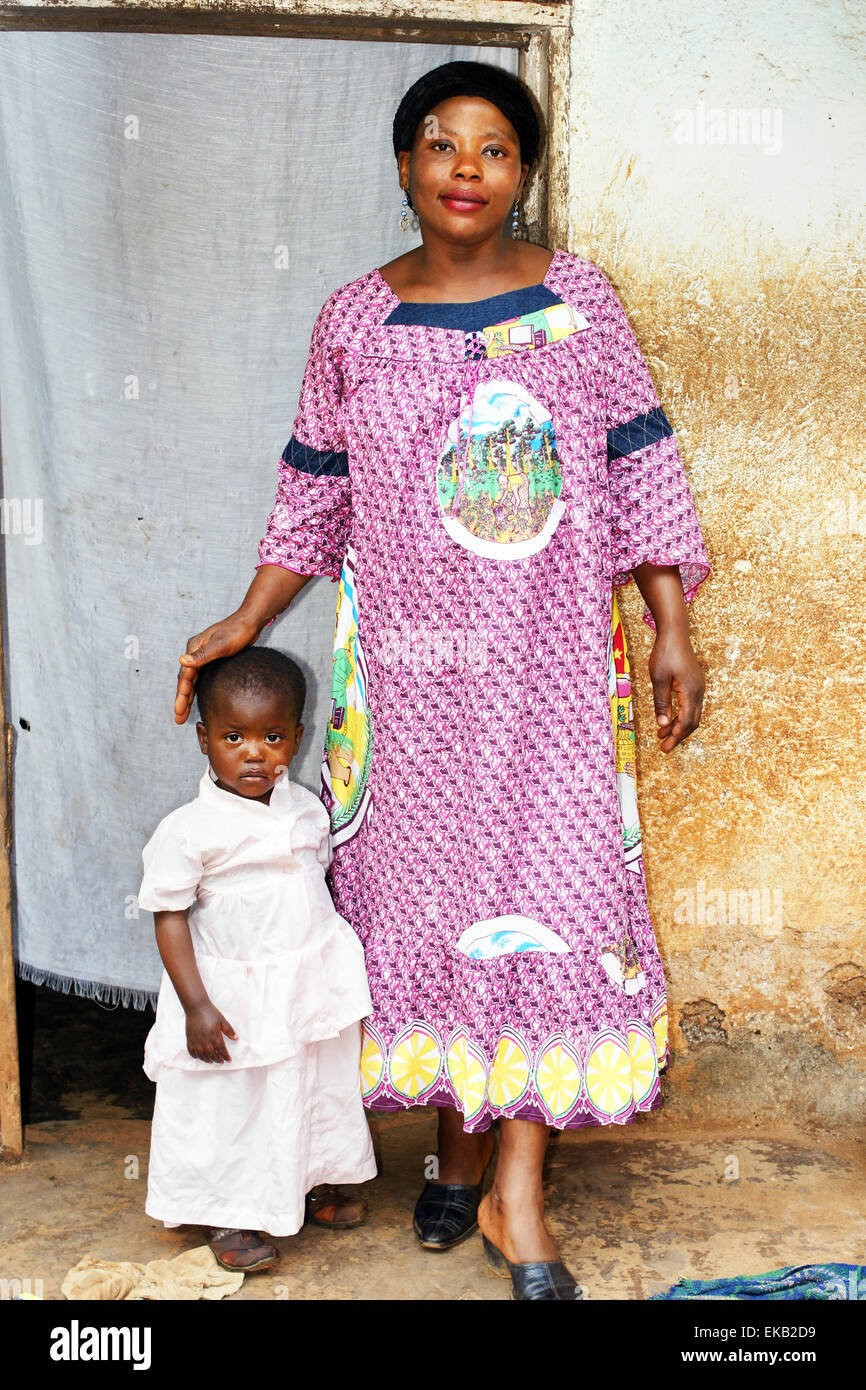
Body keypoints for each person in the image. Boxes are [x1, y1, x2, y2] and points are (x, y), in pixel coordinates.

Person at [173, 60, 711, 1299]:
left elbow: (639, 460)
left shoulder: (578, 301)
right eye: (438, 144)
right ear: (405, 167)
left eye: (493, 149)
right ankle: (459, 1148)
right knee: (431, 906)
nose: (465, 168)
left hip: (558, 670)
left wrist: (668, 623)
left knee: (557, 898)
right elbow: (312, 492)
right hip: (409, 683)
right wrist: (242, 619)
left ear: (521, 176)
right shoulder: (354, 318)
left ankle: (513, 1194)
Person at [140, 646, 376, 1270]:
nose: (254, 752)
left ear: (297, 738)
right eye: (233, 736)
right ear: (204, 741)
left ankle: (308, 1180)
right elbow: (169, 917)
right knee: (234, 1103)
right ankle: (230, 1213)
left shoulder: (304, 809)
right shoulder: (189, 830)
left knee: (308, 1083)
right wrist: (196, 1006)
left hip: (303, 986)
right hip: (229, 999)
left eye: (272, 736)